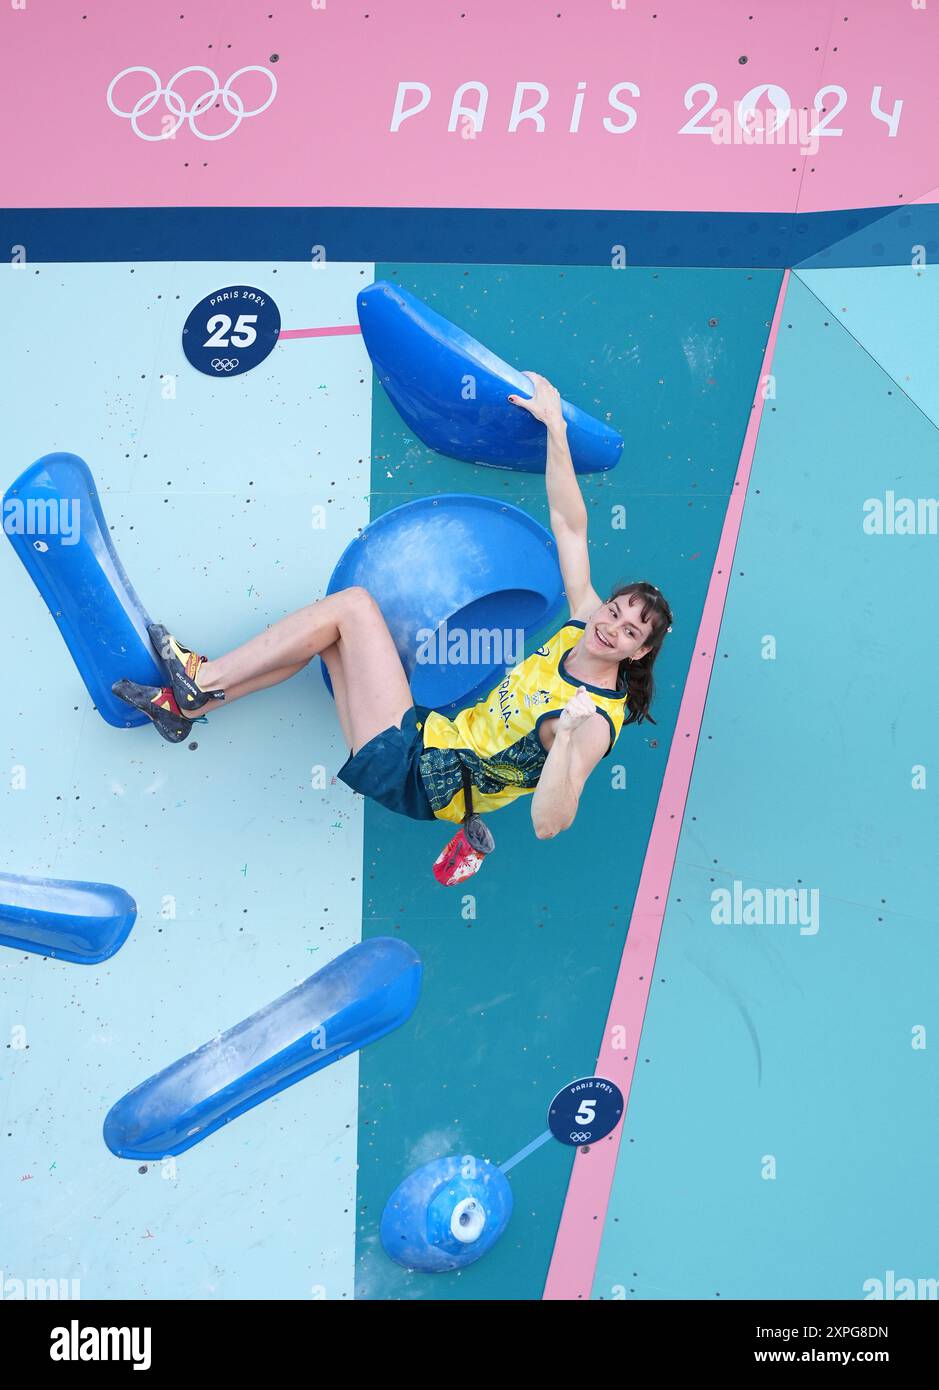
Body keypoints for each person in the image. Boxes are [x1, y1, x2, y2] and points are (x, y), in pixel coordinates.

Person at [113, 373, 673, 866]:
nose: (612, 625)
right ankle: (190, 704)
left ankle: (200, 681)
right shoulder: (583, 621)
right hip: (424, 741)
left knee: (353, 607)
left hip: (422, 774)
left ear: (638, 652)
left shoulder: (594, 720)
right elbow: (570, 526)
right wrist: (554, 426)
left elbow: (551, 822)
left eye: (629, 631)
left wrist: (571, 734)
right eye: (615, 609)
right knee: (328, 640)